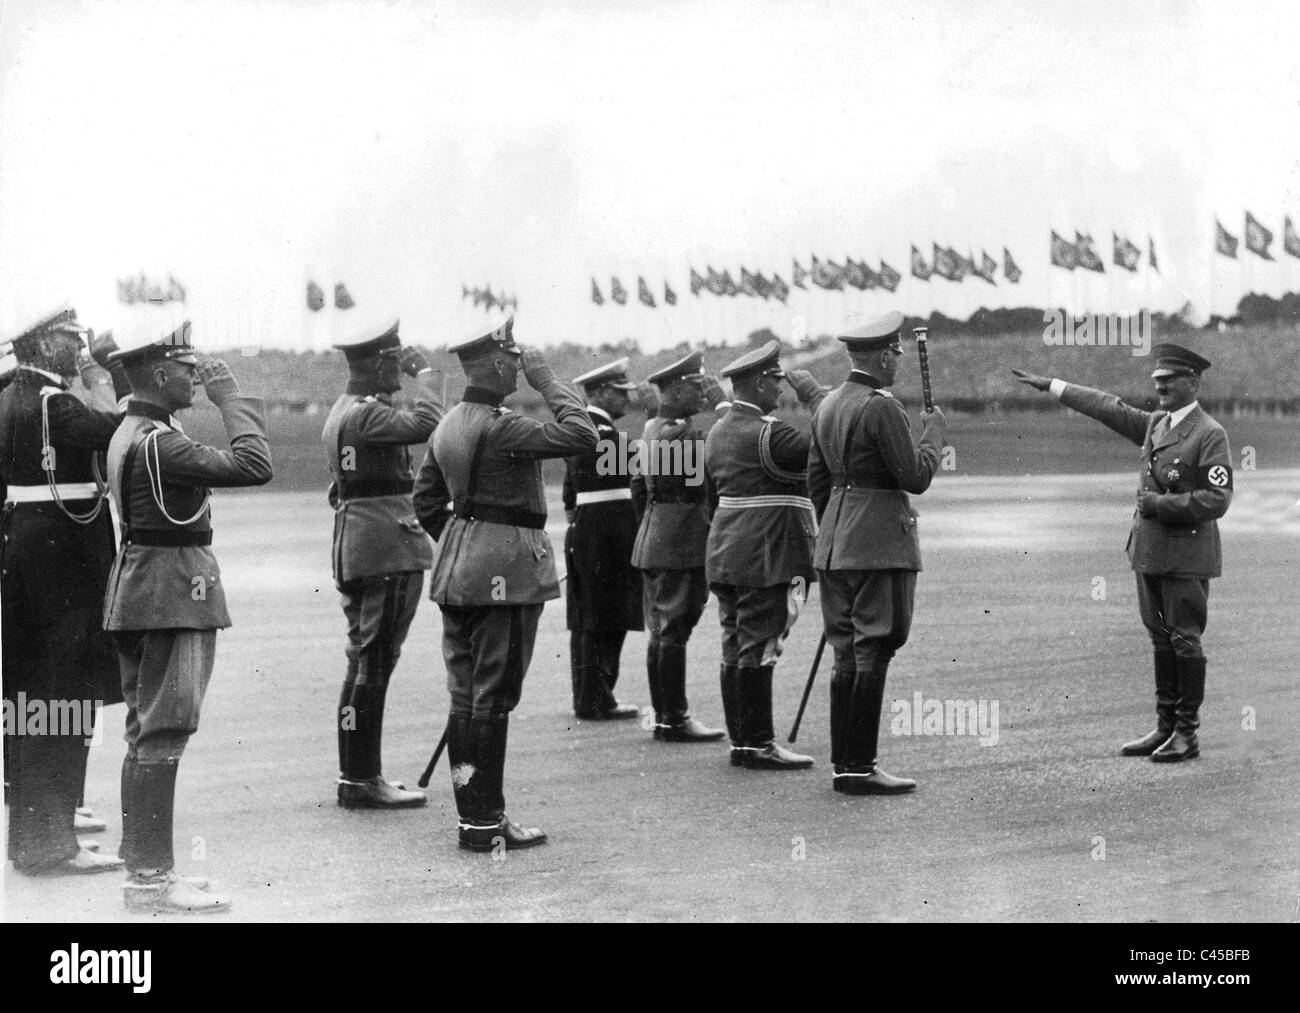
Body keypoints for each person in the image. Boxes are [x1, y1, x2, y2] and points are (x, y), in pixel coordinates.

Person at [104, 320, 272, 912]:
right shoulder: (162, 443)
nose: (197, 376)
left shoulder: (135, 431)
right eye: (187, 369)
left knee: (145, 731)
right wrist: (233, 400)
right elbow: (255, 465)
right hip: (173, 591)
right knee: (164, 732)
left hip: (143, 586)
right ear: (156, 374)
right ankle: (151, 880)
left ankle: (143, 870)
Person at [413, 317, 596, 851]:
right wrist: (548, 381)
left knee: (466, 695)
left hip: (458, 570)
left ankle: (475, 819)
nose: (519, 364)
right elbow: (583, 438)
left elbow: (426, 502)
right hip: (507, 573)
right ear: (497, 363)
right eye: (514, 358)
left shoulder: (448, 424)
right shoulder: (503, 425)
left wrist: (463, 543)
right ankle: (486, 821)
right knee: (493, 698)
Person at [1012, 343, 1231, 762]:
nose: (1161, 385)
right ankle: (1166, 726)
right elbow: (1107, 407)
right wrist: (1054, 386)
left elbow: (1217, 498)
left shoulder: (1209, 433)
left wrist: (1161, 506)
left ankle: (1187, 733)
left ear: (1193, 382)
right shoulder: (1155, 425)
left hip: (1185, 555)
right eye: (1158, 380)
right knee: (1160, 638)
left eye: (1170, 379)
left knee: (1184, 639)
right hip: (1150, 552)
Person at [1, 305, 130, 876]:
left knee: (30, 700)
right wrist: (103, 374)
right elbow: (117, 427)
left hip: (25, 556)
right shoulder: (57, 403)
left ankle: (39, 832)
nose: (78, 346)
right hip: (65, 561)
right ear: (43, 343)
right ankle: (49, 843)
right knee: (64, 694)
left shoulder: (9, 396)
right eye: (70, 338)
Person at [807, 311, 947, 795]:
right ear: (883, 355)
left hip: (836, 542)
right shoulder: (882, 407)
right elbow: (915, 477)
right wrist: (932, 432)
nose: (899, 362)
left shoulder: (827, 404)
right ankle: (860, 766)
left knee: (847, 652)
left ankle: (845, 764)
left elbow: (817, 481)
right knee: (875, 648)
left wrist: (836, 530)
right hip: (878, 542)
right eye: (896, 354)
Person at [324, 318, 443, 808]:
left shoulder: (344, 410)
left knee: (363, 661)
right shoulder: (367, 415)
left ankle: (357, 773)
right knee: (374, 662)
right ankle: (361, 777)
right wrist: (429, 374)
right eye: (396, 359)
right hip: (387, 547)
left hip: (361, 543)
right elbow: (430, 423)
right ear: (377, 362)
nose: (401, 366)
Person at [704, 340, 827, 769]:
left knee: (735, 643)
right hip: (771, 555)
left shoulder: (718, 431)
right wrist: (817, 396)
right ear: (757, 383)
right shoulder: (772, 434)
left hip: (726, 554)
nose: (780, 389)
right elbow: (834, 438)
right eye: (775, 381)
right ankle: (757, 744)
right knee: (760, 646)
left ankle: (744, 741)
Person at [630, 351, 727, 743]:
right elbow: (726, 457)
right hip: (681, 538)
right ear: (680, 387)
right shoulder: (684, 435)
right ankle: (674, 719)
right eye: (697, 387)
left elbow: (639, 488)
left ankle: (667, 716)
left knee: (661, 629)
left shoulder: (653, 427)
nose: (702, 395)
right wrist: (725, 404)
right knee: (673, 630)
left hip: (656, 536)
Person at [562, 357, 644, 720]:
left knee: (592, 618)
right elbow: (681, 462)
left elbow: (568, 491)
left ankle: (593, 696)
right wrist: (658, 421)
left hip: (590, 528)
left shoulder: (586, 429)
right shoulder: (601, 433)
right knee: (604, 617)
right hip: (607, 532)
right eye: (620, 392)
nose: (627, 399)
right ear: (599, 392)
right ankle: (596, 698)